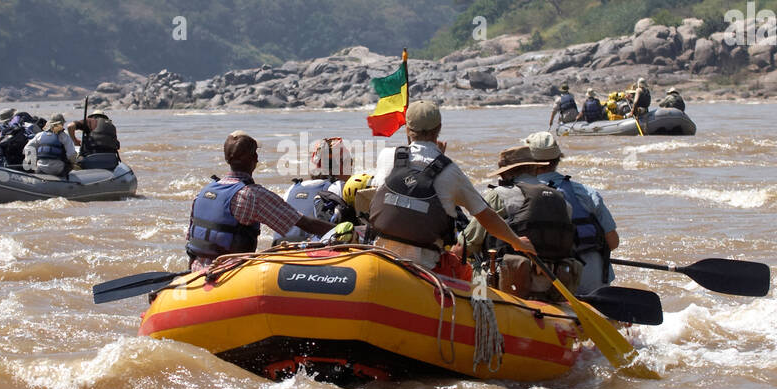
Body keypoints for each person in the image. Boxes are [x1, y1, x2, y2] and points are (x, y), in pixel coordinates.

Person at [367, 100, 536, 277]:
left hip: (382, 257)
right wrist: (516, 241)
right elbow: (486, 216)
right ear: (439, 129)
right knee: (469, 274)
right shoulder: (450, 171)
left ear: (408, 130)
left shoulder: (386, 156)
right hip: (426, 266)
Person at [186, 131, 334, 270]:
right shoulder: (252, 195)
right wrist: (341, 230)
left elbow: (191, 242)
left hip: (197, 272)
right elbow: (303, 223)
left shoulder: (204, 192)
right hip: (228, 275)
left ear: (226, 159)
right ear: (255, 158)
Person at [458, 145, 582, 300]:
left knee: (467, 258)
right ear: (535, 169)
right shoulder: (561, 199)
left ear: (505, 173)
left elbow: (465, 245)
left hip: (509, 282)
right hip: (553, 285)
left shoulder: (499, 196)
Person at [522, 131, 619, 295]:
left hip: (546, 284)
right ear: (558, 158)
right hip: (593, 283)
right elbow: (613, 242)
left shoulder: (517, 193)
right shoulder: (586, 193)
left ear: (526, 162)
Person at [275, 137, 356, 245]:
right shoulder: (338, 187)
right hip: (309, 250)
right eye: (349, 162)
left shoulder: (293, 188)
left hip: (279, 246)